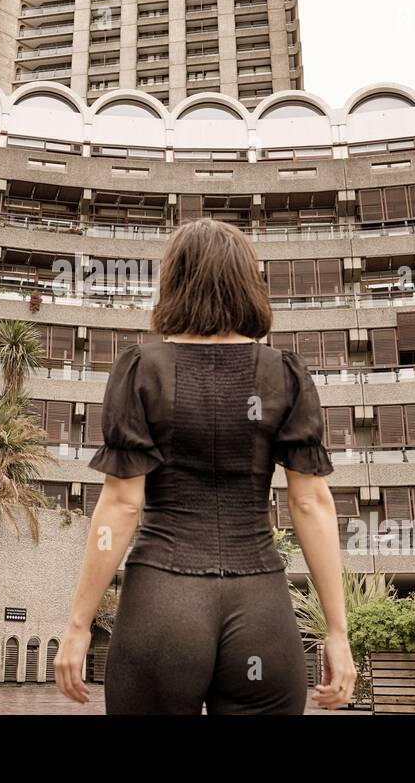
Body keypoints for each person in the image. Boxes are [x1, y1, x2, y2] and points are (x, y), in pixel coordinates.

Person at [54, 218, 356, 714]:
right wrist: (337, 633)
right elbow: (310, 503)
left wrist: (78, 625)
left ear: (174, 281)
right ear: (248, 283)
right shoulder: (284, 373)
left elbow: (121, 507)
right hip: (261, 612)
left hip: (162, 608)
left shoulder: (140, 369)